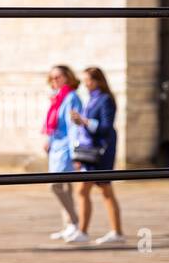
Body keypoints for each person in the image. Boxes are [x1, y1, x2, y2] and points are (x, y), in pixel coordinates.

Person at [69, 66, 125, 245]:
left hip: (101, 151)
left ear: (98, 80)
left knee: (92, 190)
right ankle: (113, 231)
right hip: (89, 149)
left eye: (89, 80)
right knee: (102, 190)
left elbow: (106, 127)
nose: (86, 84)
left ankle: (86, 231)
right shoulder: (91, 99)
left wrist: (84, 121)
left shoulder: (105, 99)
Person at [44, 64, 88, 243]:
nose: (55, 81)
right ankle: (69, 225)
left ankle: (75, 221)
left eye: (58, 77)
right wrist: (48, 141)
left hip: (65, 149)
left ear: (67, 78)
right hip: (56, 147)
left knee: (55, 185)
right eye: (52, 78)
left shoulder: (71, 97)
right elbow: (54, 125)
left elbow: (73, 128)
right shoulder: (57, 98)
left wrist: (75, 153)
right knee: (65, 187)